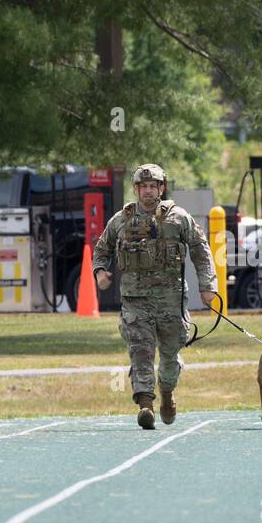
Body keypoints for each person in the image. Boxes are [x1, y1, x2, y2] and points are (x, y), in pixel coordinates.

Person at [93, 164, 217, 429]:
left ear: (161, 188)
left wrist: (207, 286)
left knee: (170, 356)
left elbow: (200, 250)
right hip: (136, 302)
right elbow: (102, 249)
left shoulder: (178, 218)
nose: (148, 191)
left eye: (153, 186)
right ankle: (145, 404)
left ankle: (168, 394)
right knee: (140, 352)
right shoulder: (121, 220)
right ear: (136, 189)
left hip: (171, 300)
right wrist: (100, 272)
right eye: (143, 186)